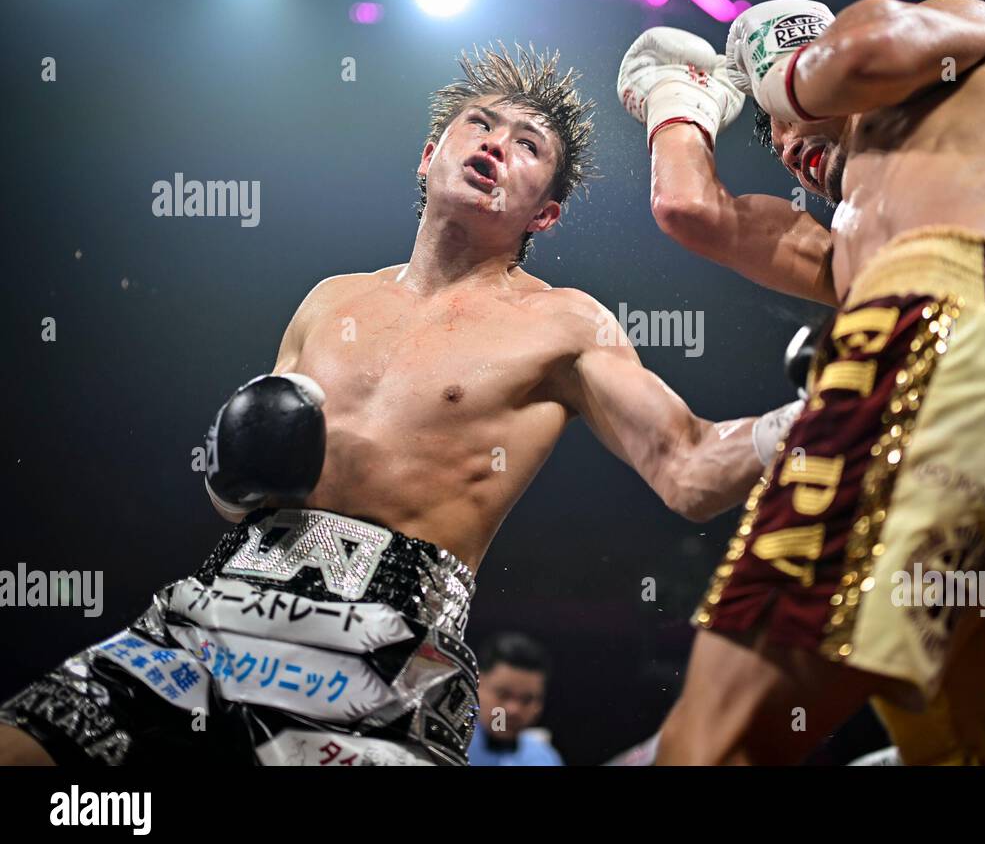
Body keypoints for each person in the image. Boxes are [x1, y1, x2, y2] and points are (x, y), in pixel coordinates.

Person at [0, 43, 800, 766]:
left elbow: (688, 467)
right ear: (428, 155)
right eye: (479, 125)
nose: (495, 144)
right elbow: (235, 493)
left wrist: (806, 421)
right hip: (217, 607)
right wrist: (231, 470)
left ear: (544, 213)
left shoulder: (565, 322)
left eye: (529, 147)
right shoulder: (329, 299)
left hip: (383, 645)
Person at [617, 0, 985, 765]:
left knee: (718, 737)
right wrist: (678, 107)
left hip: (926, 361)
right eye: (769, 137)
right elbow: (691, 211)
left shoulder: (972, 52)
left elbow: (865, 54)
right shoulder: (853, 246)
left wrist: (781, 73)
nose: (780, 142)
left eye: (785, 120)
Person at [469, 632, 563, 766]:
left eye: (527, 699)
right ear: (477, 686)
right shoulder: (446, 745)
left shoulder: (545, 758)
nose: (513, 710)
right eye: (503, 694)